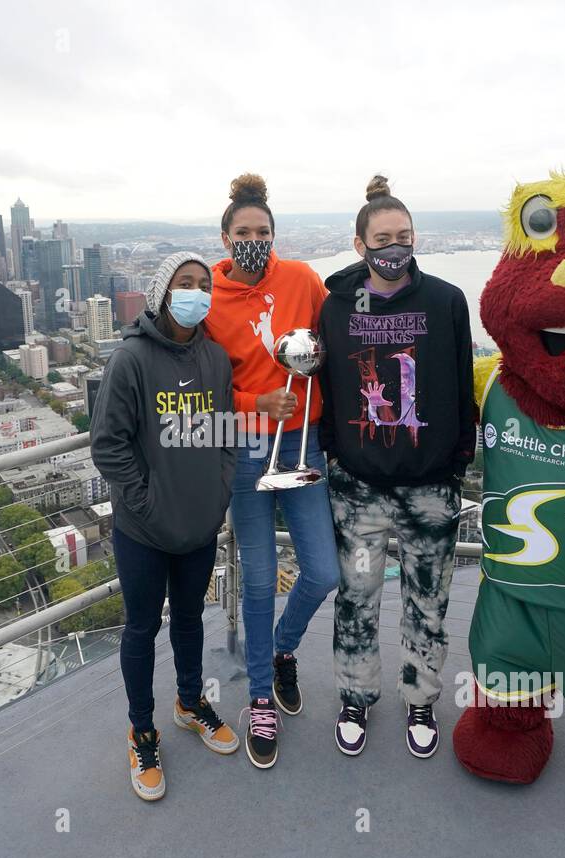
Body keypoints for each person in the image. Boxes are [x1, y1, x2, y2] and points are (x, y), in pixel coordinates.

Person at [316, 175, 475, 758]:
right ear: (360, 244)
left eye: (404, 235)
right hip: (359, 493)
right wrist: (338, 454)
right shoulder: (336, 308)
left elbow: (462, 384)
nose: (395, 246)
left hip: (430, 489)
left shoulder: (446, 301)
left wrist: (456, 460)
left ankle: (420, 700)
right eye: (383, 237)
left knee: (427, 602)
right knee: (356, 597)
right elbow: (328, 390)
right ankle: (355, 696)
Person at [90, 251, 239, 801]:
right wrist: (146, 501)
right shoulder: (130, 360)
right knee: (140, 628)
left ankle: (190, 701)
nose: (197, 292)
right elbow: (107, 445)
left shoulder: (217, 360)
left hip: (200, 524)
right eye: (185, 283)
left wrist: (219, 490)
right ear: (162, 291)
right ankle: (142, 729)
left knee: (192, 619)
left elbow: (225, 433)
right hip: (145, 531)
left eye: (204, 284)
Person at [204, 173, 340, 769]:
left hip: (302, 443)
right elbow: (199, 389)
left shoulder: (302, 280)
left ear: (273, 234)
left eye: (262, 231)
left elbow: (336, 339)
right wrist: (252, 405)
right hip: (245, 447)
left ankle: (283, 650)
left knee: (324, 571)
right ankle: (259, 693)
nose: (253, 240)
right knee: (258, 580)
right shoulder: (206, 293)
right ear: (226, 237)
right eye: (242, 232)